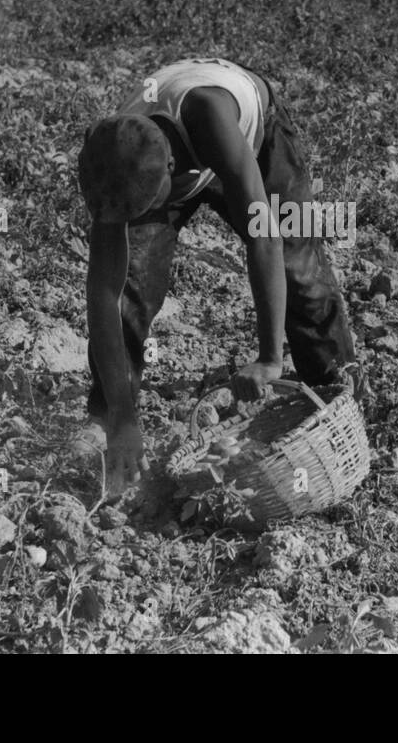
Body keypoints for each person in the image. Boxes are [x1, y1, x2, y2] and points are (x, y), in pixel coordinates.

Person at [78, 58, 361, 495]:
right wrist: (123, 417)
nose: (142, 217)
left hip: (258, 140)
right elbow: (105, 294)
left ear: (172, 168)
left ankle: (337, 397)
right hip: (159, 169)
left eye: (148, 207)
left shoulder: (209, 116)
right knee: (133, 283)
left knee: (299, 269)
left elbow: (262, 238)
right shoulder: (113, 165)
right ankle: (110, 418)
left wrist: (269, 358)